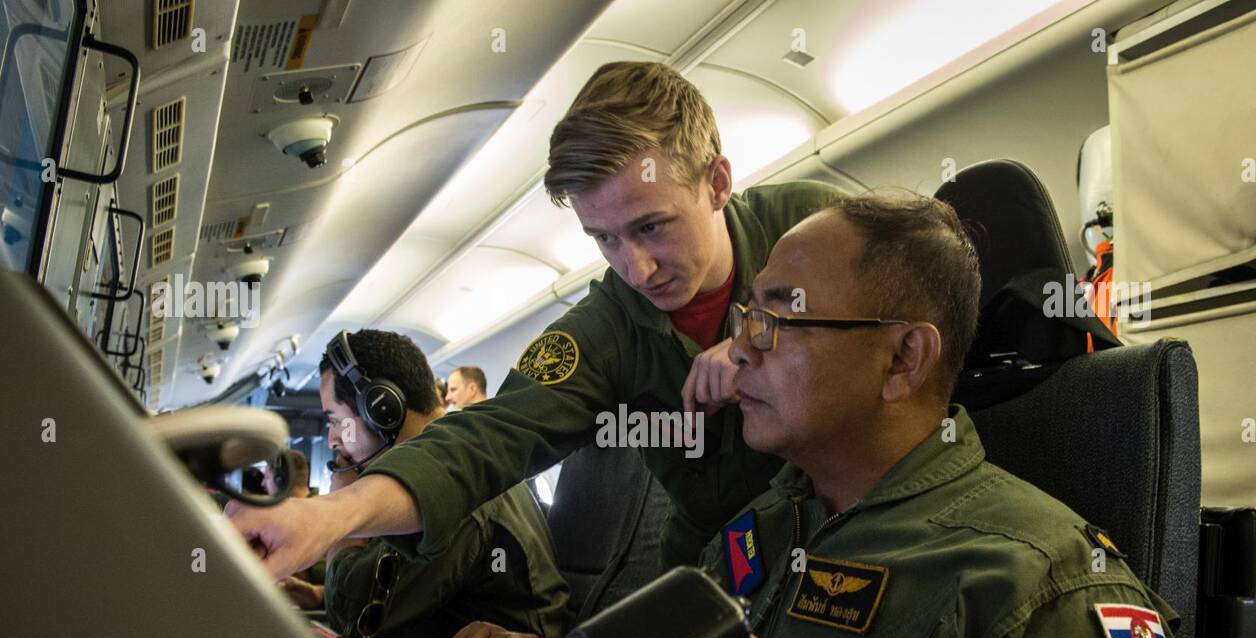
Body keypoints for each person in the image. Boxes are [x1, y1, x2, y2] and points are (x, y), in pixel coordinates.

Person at [441, 191, 1235, 638]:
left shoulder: (1042, 578)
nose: (740, 349)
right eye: (747, 314)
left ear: (904, 360)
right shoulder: (764, 526)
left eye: (780, 319)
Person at [225, 61, 848, 579]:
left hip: (861, 526)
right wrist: (330, 517)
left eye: (651, 227)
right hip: (722, 561)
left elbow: (931, 314)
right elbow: (487, 439)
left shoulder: (818, 230)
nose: (635, 268)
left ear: (716, 182)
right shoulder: (604, 329)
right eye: (602, 239)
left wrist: (766, 338)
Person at [277, 330, 571, 638]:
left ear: (380, 408)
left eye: (335, 420)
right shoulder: (445, 467)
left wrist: (344, 512)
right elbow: (385, 588)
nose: (331, 438)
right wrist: (319, 594)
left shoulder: (452, 483)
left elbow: (352, 619)